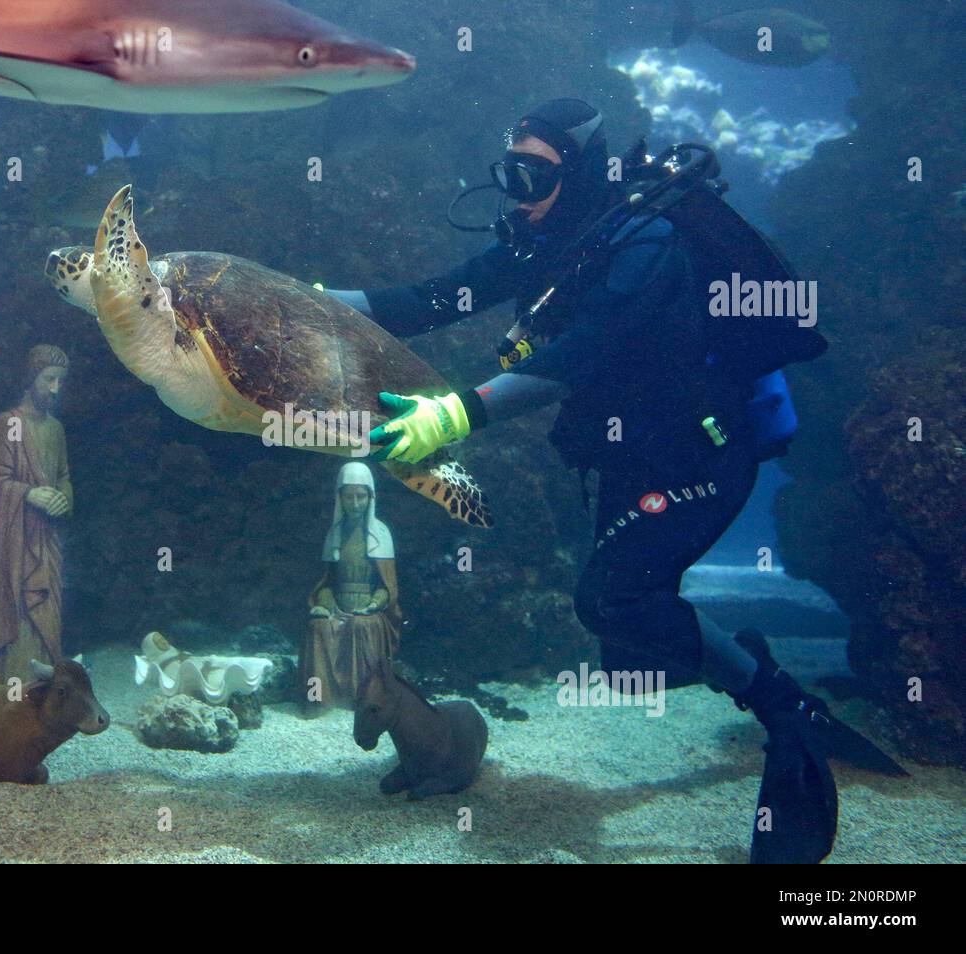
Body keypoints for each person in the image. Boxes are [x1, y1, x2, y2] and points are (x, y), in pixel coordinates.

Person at [327, 98, 903, 863]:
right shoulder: (548, 243)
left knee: (613, 598)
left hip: (699, 458)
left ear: (585, 173)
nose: (518, 192)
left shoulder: (646, 242)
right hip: (629, 464)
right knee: (633, 653)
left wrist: (453, 415)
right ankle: (750, 664)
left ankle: (785, 708)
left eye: (534, 173)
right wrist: (309, 303)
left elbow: (580, 357)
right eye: (510, 172)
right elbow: (432, 299)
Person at [0, 344, 74, 684]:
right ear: (32, 378)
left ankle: (42, 687)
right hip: (16, 538)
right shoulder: (8, 424)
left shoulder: (56, 429)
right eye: (49, 379)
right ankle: (8, 687)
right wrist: (30, 494)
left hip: (47, 538)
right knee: (17, 607)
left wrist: (63, 499)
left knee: (47, 608)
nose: (55, 388)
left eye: (61, 381)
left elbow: (63, 476)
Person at [299, 462, 401, 714]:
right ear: (340, 498)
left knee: (360, 626)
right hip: (337, 607)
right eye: (349, 497)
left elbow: (388, 586)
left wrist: (373, 605)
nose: (355, 504)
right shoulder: (334, 534)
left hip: (370, 612)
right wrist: (324, 605)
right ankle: (319, 700)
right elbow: (327, 581)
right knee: (317, 628)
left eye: (361, 497)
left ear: (370, 497)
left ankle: (362, 701)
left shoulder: (381, 534)